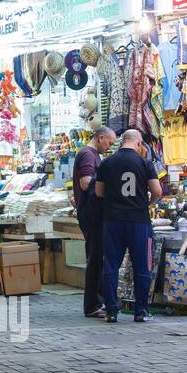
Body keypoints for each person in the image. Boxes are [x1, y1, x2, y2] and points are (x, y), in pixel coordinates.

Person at [94, 129, 162, 323]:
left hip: (112, 221)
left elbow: (99, 192)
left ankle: (112, 311)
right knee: (142, 266)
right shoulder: (145, 163)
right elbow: (157, 191)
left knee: (111, 266)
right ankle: (141, 311)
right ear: (139, 143)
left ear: (122, 141)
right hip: (138, 222)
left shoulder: (107, 163)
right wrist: (147, 203)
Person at [73, 127, 116, 319]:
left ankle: (97, 301)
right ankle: (92, 305)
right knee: (95, 258)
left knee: (98, 257)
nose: (109, 147)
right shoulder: (88, 155)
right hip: (91, 213)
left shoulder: (90, 154)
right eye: (109, 143)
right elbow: (85, 182)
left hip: (92, 212)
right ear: (100, 138)